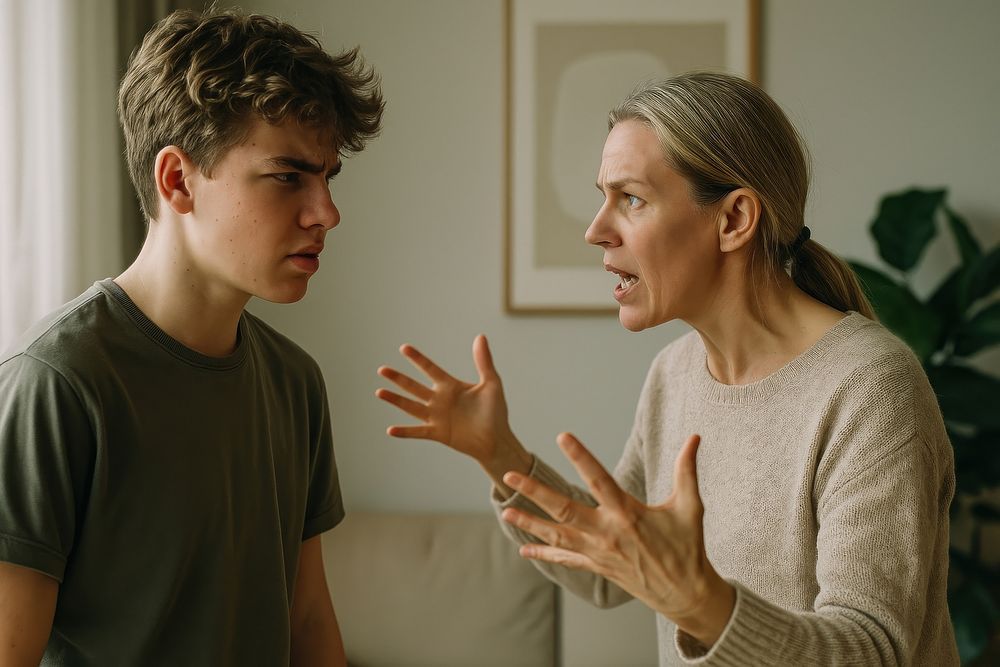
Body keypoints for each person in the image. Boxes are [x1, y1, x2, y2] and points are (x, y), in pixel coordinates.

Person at [376, 71, 958, 665]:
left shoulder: (870, 387)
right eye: (603, 197)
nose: (595, 230)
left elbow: (873, 650)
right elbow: (610, 571)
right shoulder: (674, 373)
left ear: (733, 219)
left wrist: (701, 603)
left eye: (631, 198)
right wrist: (499, 455)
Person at [0, 8, 382, 665]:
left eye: (327, 177)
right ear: (177, 180)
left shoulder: (295, 382)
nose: (327, 212)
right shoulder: (58, 380)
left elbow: (310, 620)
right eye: (289, 176)